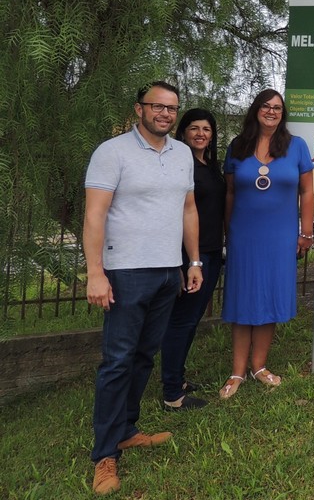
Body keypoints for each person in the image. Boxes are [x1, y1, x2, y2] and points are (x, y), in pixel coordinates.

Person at [84, 81, 202, 495]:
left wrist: (194, 261)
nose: (166, 114)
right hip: (125, 273)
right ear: (140, 109)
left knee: (142, 356)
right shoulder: (111, 152)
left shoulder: (183, 153)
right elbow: (95, 216)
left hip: (168, 271)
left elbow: (188, 209)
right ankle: (104, 455)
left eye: (172, 108)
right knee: (117, 361)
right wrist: (95, 272)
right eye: (158, 106)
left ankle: (127, 429)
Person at [218, 89, 314, 399]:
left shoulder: (296, 146)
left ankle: (259, 366)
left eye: (277, 107)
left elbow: (308, 193)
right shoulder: (238, 147)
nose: (272, 111)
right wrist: (227, 231)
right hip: (244, 234)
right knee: (242, 298)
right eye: (266, 106)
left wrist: (306, 233)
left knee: (269, 297)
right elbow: (230, 192)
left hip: (280, 237)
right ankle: (237, 371)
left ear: (282, 114)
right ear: (256, 110)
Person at [160, 108, 226, 411]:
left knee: (191, 320)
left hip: (212, 252)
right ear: (183, 131)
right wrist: (190, 261)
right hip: (191, 255)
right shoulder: (178, 163)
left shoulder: (210, 166)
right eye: (194, 128)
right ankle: (172, 393)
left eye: (207, 129)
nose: (201, 134)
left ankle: (179, 378)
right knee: (181, 321)